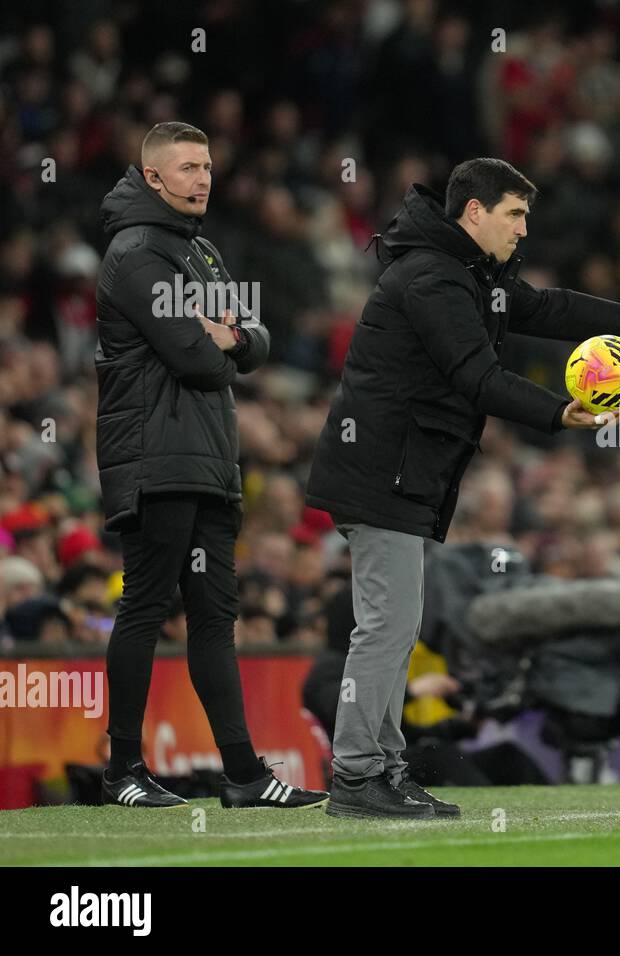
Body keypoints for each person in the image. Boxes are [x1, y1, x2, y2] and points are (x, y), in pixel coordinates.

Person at [305, 157, 620, 819]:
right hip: (382, 474)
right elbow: (476, 376)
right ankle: (358, 776)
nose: (522, 230)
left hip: (403, 474)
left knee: (396, 629)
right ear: (475, 211)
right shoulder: (432, 277)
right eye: (514, 214)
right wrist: (558, 412)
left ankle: (384, 771)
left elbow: (545, 306)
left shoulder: (461, 273)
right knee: (385, 630)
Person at [96, 121, 326, 809]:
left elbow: (255, 342)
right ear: (155, 178)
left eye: (208, 166)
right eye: (188, 167)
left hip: (209, 457)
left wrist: (225, 332)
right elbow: (196, 358)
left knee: (214, 618)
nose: (203, 178)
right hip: (156, 454)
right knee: (144, 606)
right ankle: (122, 773)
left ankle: (245, 775)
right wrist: (220, 334)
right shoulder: (136, 253)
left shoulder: (201, 251)